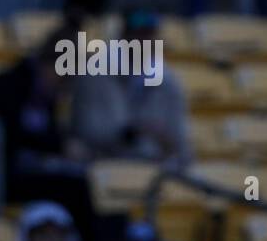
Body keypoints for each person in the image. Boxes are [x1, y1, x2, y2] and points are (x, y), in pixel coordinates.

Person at [0, 21, 116, 241]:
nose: (64, 86)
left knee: (94, 190)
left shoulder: (45, 97)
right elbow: (13, 134)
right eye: (64, 76)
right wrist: (59, 147)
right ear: (49, 65)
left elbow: (44, 134)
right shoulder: (7, 85)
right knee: (75, 189)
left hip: (27, 171)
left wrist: (62, 151)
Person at [71, 9, 192, 167]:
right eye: (138, 35)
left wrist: (165, 141)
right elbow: (88, 130)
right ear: (123, 36)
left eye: (149, 35)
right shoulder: (94, 75)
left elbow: (181, 146)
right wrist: (137, 130)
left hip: (152, 169)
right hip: (103, 165)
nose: (144, 41)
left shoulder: (169, 83)